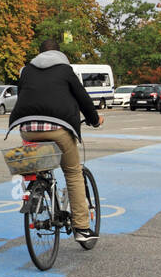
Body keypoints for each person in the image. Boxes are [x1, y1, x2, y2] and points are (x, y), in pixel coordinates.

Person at [7, 38, 103, 249]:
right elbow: (83, 99)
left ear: (39, 53)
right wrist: (95, 120)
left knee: (38, 167)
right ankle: (82, 229)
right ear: (59, 53)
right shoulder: (65, 70)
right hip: (58, 128)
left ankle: (38, 189)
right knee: (72, 172)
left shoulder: (26, 71)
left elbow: (23, 95)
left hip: (27, 129)